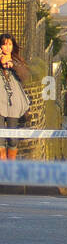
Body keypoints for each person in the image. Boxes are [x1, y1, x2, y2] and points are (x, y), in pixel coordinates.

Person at [0, 32, 31, 160]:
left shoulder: (17, 61)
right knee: (0, 138)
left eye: (9, 44)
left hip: (14, 102)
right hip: (0, 102)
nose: (7, 47)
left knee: (12, 138)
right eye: (4, 44)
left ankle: (11, 165)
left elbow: (25, 76)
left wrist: (12, 65)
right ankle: (2, 167)